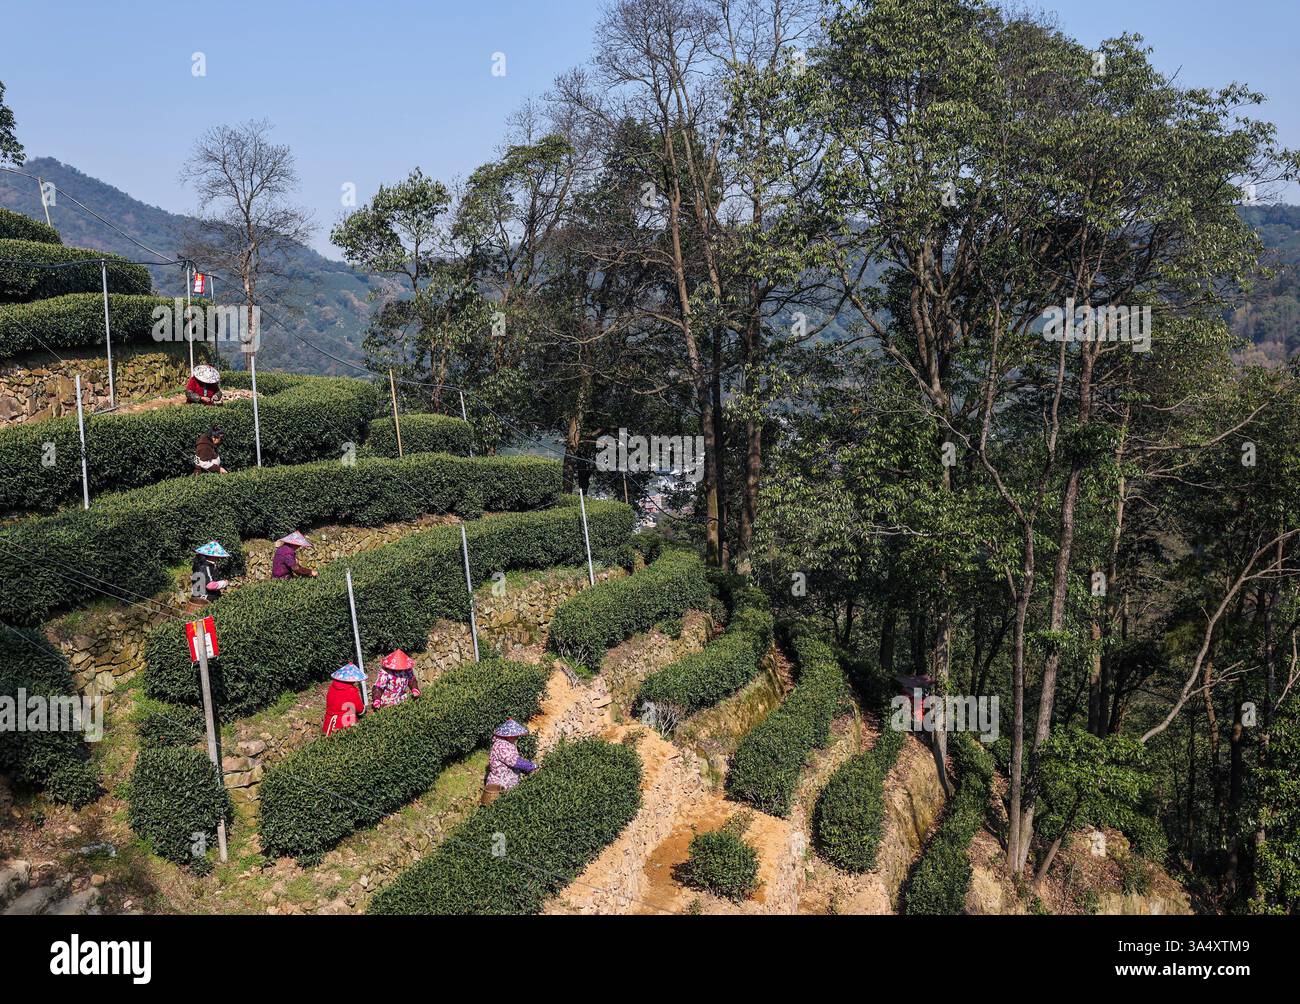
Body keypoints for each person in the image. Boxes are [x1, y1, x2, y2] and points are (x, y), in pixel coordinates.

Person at [481, 718, 537, 806]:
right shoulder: (502, 746)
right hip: (500, 784)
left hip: (508, 781)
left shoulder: (507, 743)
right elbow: (514, 761)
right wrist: (531, 766)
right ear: (508, 736)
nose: (517, 737)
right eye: (515, 735)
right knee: (499, 806)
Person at [322, 663, 367, 736]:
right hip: (345, 723)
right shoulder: (351, 691)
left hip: (329, 723)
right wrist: (363, 710)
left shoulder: (332, 687)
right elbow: (359, 709)